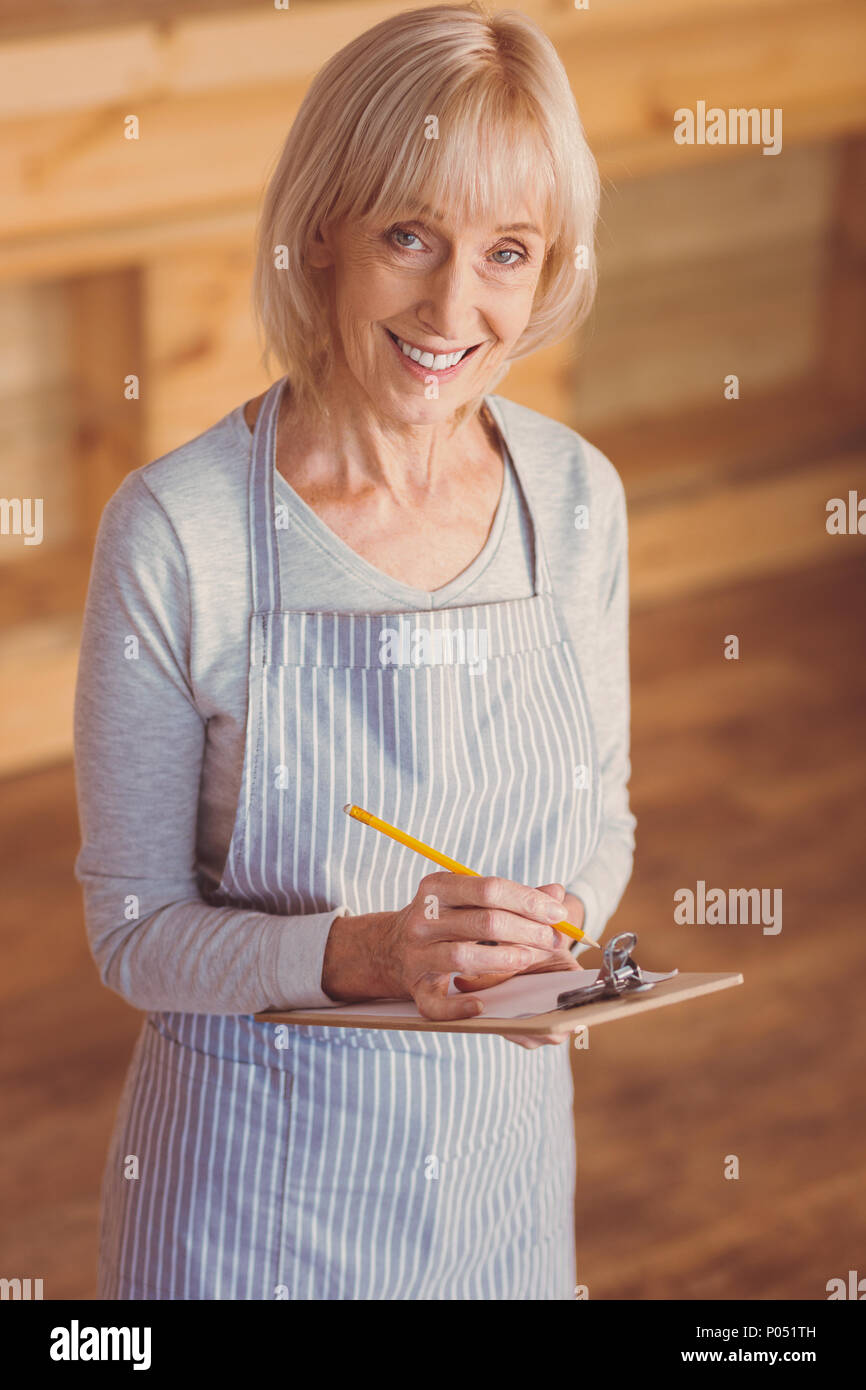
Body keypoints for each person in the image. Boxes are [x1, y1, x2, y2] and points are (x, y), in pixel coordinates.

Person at [73, 1, 636, 1300]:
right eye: (407, 236)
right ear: (320, 230)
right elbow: (135, 931)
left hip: (501, 1183)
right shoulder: (183, 530)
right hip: (252, 1206)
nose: (454, 305)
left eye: (506, 251)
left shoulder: (576, 498)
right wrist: (365, 954)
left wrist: (553, 925)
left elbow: (601, 813)